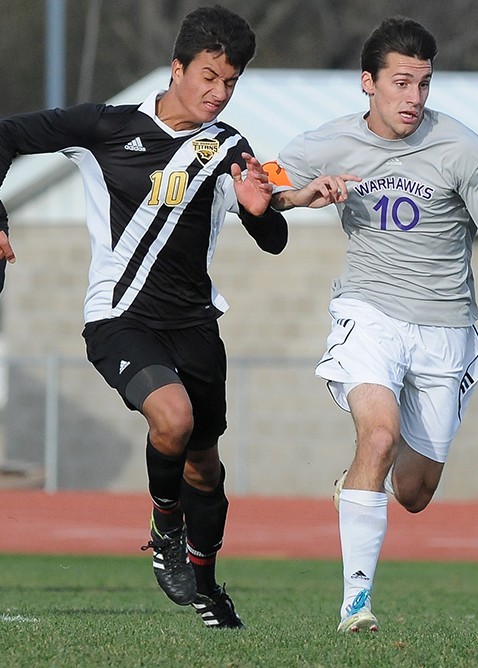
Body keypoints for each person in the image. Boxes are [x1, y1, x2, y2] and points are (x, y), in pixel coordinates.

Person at [0, 5, 286, 629]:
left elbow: (274, 237)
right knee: (172, 415)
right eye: (207, 76)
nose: (218, 93)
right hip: (119, 316)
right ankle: (165, 528)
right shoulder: (104, 125)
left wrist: (261, 209)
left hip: (196, 326)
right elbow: (6, 135)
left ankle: (207, 584)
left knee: (204, 466)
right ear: (176, 68)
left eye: (230, 82)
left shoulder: (230, 145)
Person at [267, 16, 478, 632]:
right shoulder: (326, 143)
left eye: (423, 84)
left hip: (446, 330)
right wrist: (303, 195)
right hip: (369, 311)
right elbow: (259, 192)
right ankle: (355, 604)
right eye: (400, 83)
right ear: (368, 83)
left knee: (414, 492)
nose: (413, 99)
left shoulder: (465, 151)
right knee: (380, 436)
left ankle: (358, 484)